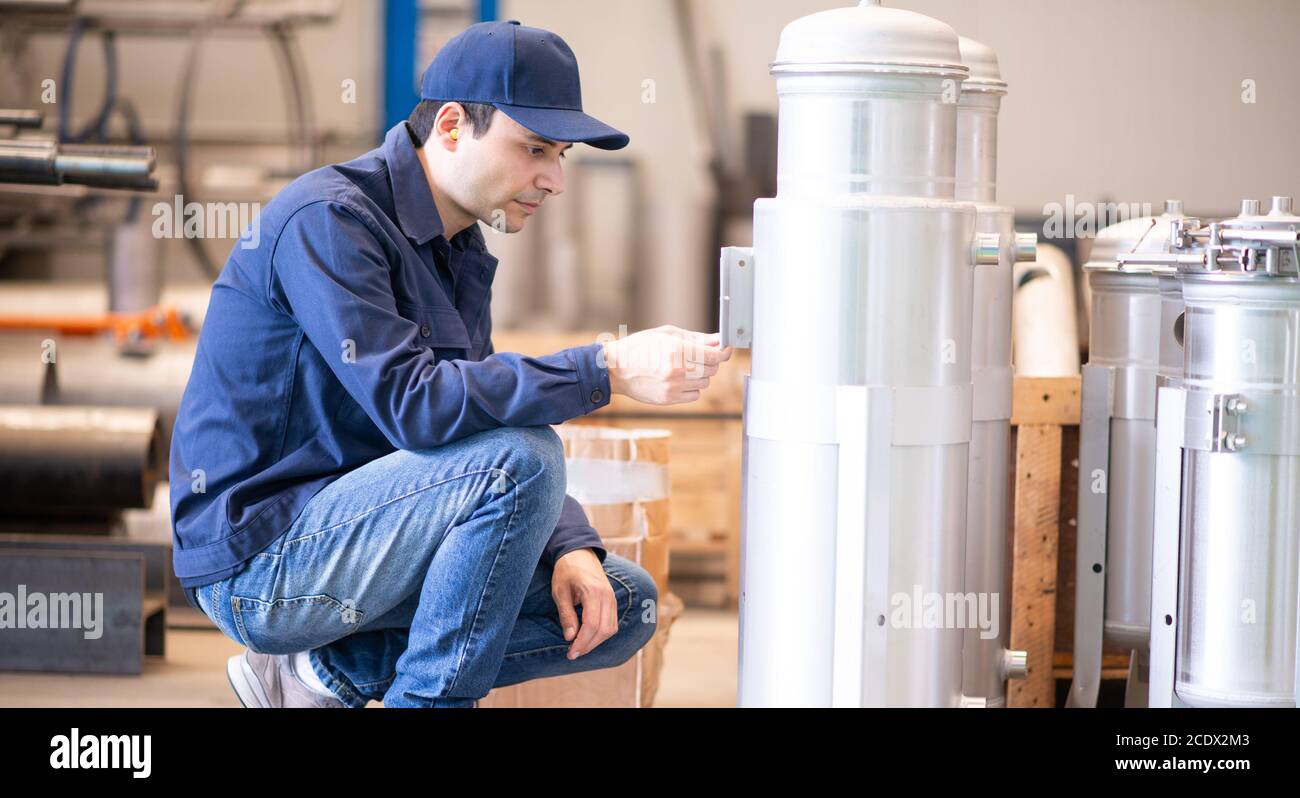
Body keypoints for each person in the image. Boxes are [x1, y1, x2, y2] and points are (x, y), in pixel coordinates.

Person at [169, 19, 730, 708]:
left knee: (623, 602)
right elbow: (419, 406)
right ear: (455, 125)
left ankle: (321, 675)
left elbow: (474, 420)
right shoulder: (330, 222)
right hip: (267, 563)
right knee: (521, 459)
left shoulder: (458, 253)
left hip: (371, 542)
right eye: (535, 149)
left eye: (561, 156)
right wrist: (605, 367)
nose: (554, 179)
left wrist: (571, 546)